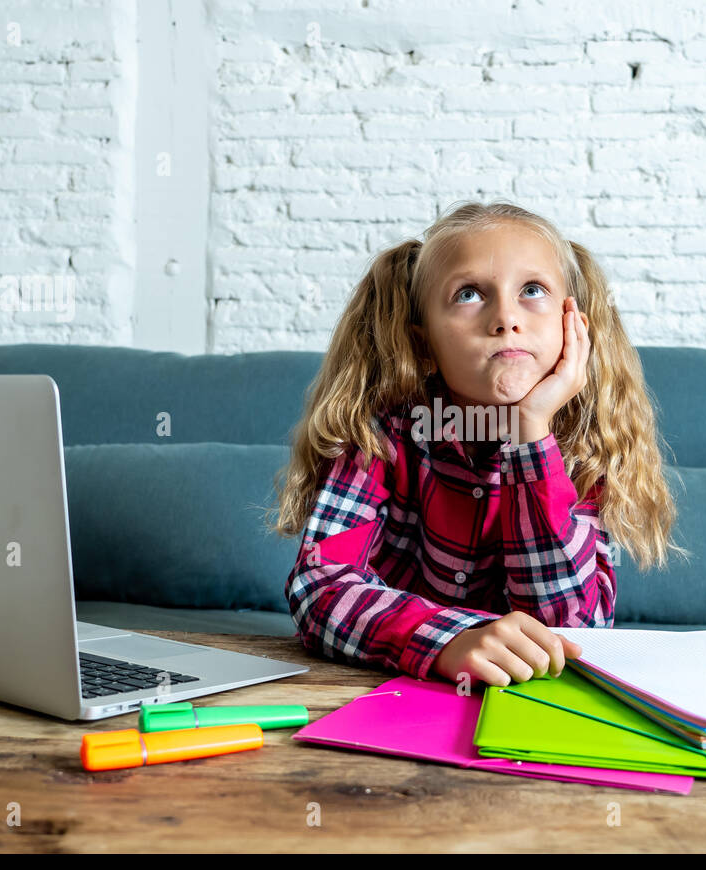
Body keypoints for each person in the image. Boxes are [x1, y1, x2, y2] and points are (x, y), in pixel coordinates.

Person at [270, 200, 684, 687]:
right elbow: (318, 587)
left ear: (574, 325)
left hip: (534, 701)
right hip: (403, 689)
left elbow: (573, 632)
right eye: (469, 294)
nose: (505, 318)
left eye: (532, 290)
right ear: (424, 343)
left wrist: (531, 430)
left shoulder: (580, 447)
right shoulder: (384, 433)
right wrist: (447, 639)